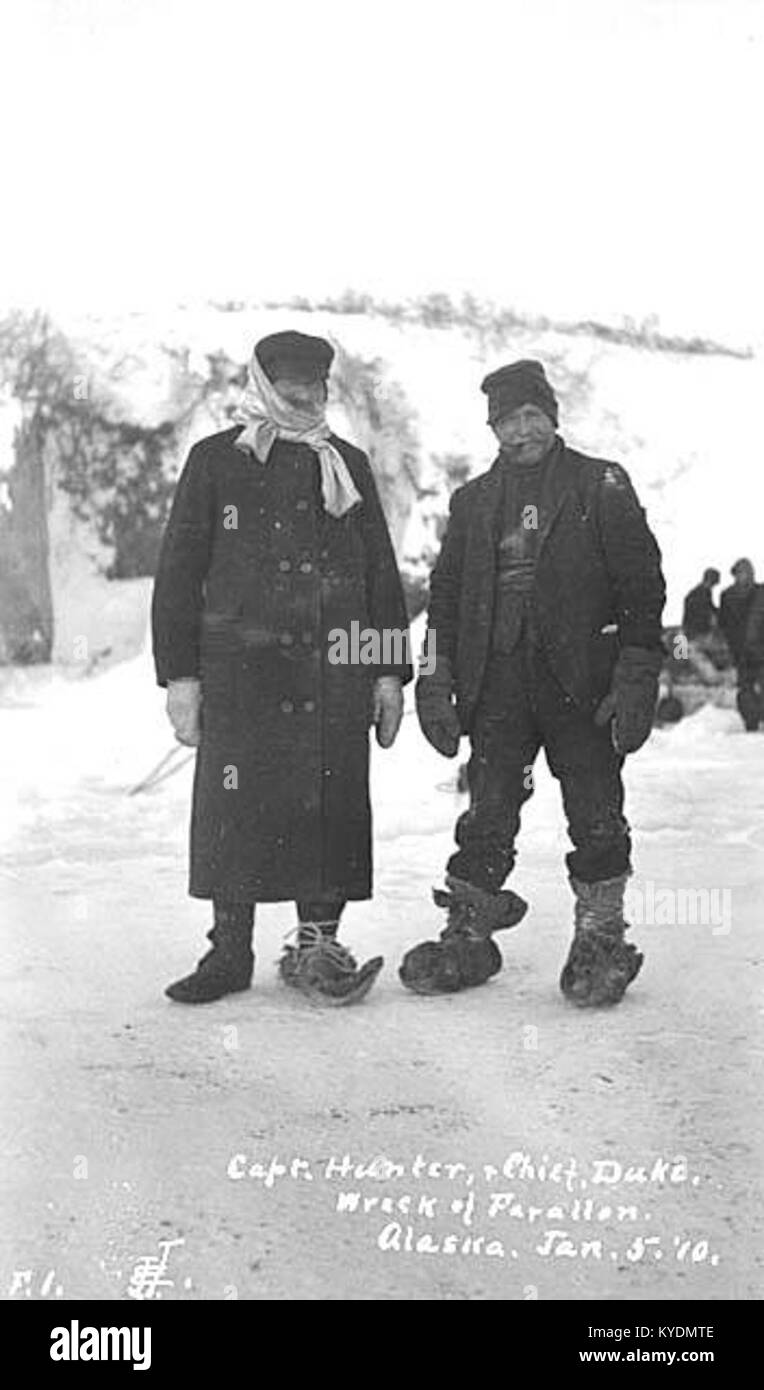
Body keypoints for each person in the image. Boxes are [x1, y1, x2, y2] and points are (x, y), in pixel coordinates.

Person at [152, 330, 411, 1005]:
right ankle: (229, 952)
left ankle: (317, 947)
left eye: (314, 387)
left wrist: (388, 675)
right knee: (234, 808)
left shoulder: (345, 463)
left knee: (329, 806)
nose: (302, 397)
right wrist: (181, 677)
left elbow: (380, 573)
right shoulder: (216, 462)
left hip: (333, 675)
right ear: (262, 387)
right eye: (288, 386)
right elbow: (179, 575)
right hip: (243, 678)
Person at [402, 359, 666, 1007]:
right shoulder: (472, 503)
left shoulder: (599, 483)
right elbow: (446, 602)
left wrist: (635, 676)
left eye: (532, 417)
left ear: (552, 417)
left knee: (595, 809)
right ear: (492, 429)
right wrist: (435, 681)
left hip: (581, 683)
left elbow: (642, 588)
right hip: (498, 684)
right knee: (488, 809)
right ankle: (469, 931)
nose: (521, 431)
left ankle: (601, 937)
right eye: (507, 421)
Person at [719, 559, 764, 730]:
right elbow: (723, 623)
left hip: (760, 648)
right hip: (741, 650)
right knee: (745, 688)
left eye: (747, 572)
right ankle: (751, 721)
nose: (744, 575)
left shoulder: (761, 592)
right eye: (740, 572)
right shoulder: (727, 595)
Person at [681, 567, 724, 684]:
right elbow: (707, 613)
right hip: (695, 633)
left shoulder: (701, 592)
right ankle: (711, 678)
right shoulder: (700, 594)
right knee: (696, 655)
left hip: (691, 632)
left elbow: (711, 609)